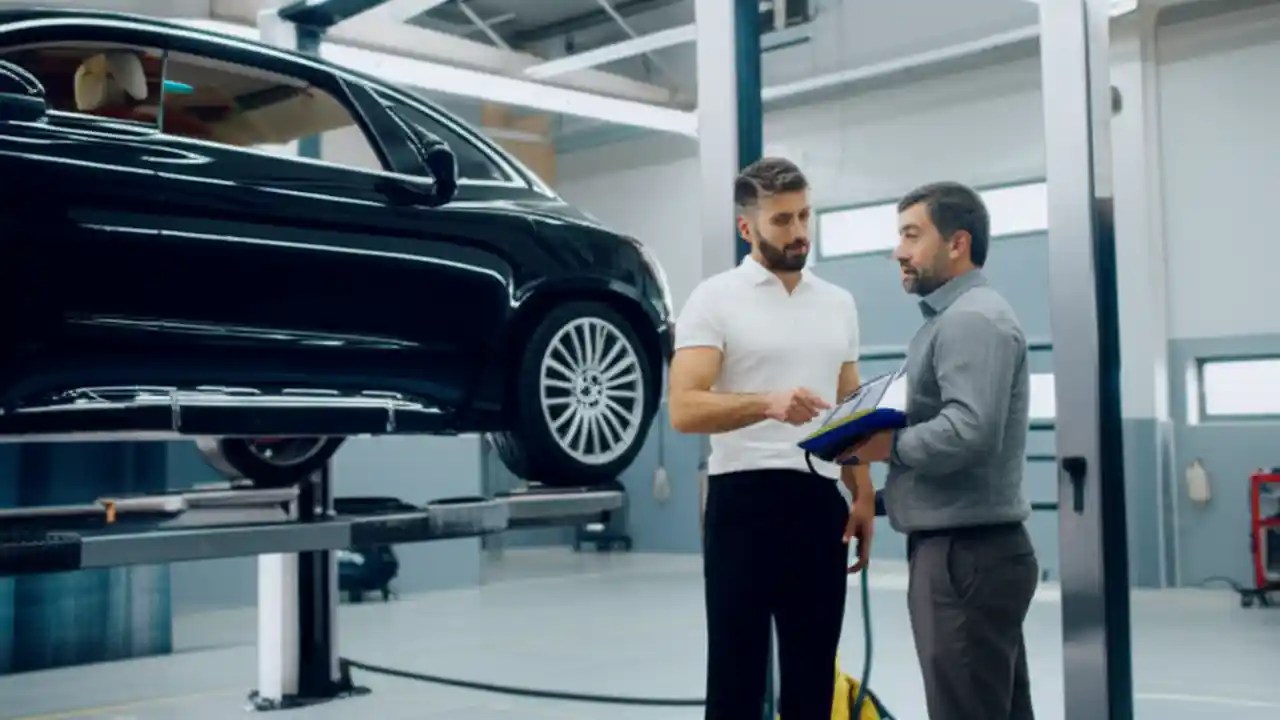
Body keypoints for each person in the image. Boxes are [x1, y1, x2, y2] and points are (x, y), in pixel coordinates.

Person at [667, 156, 877, 720]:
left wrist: (862, 495)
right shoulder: (713, 299)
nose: (799, 232)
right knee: (735, 680)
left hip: (819, 506)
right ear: (747, 228)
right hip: (743, 505)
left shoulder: (838, 303)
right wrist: (767, 402)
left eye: (805, 215)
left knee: (812, 680)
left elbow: (849, 405)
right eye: (782, 220)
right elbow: (684, 408)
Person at [842, 181, 1039, 720]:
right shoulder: (955, 319)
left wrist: (890, 445)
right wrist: (877, 499)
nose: (897, 252)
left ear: (958, 243)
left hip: (963, 559)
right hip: (968, 553)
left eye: (911, 235)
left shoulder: (971, 320)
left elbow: (969, 430)